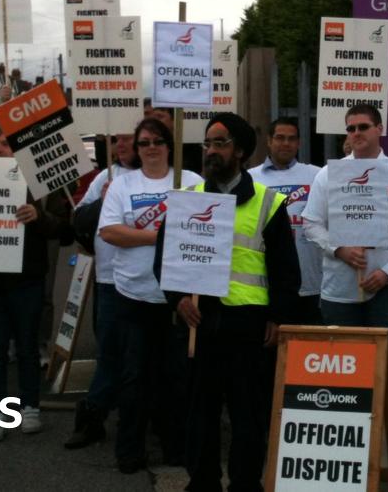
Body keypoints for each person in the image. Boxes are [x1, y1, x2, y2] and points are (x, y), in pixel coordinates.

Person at [155, 112, 300, 492]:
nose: (211, 151)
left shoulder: (268, 203)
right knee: (199, 413)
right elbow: (164, 260)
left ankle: (245, 484)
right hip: (200, 323)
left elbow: (286, 270)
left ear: (240, 151)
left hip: (248, 326)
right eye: (207, 143)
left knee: (248, 416)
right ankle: (202, 482)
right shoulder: (187, 201)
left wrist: (276, 318)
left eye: (220, 143)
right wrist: (178, 299)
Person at [302, 103, 388, 464]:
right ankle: (346, 452)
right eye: (351, 128)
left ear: (379, 129)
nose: (356, 134)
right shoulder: (329, 176)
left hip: (386, 290)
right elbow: (311, 223)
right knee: (342, 371)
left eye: (363, 127)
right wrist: (339, 248)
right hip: (340, 291)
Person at [88, 117, 203, 470]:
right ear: (136, 150)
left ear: (170, 145)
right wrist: (161, 236)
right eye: (143, 143)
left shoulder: (192, 183)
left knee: (175, 380)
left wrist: (142, 233)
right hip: (132, 295)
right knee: (134, 378)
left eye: (157, 141)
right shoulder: (123, 185)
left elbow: (206, 233)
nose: (151, 147)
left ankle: (175, 449)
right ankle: (129, 451)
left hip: (178, 299)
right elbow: (110, 232)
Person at [0, 126, 71, 442]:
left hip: (28, 279)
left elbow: (64, 227)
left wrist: (38, 217)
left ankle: (30, 406)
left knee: (28, 347)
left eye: (5, 143)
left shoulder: (39, 184)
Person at [64, 128, 141, 450]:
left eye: (126, 138)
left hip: (144, 281)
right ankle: (93, 417)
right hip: (109, 280)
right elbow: (78, 220)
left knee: (138, 356)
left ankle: (136, 418)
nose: (120, 145)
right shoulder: (103, 178)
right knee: (108, 352)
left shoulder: (155, 175)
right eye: (114, 140)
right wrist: (103, 200)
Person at [249, 117, 323, 323]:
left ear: (299, 143)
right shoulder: (251, 178)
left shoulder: (317, 175)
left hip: (311, 283)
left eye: (291, 139)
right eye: (280, 138)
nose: (286, 143)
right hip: (268, 284)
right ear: (269, 141)